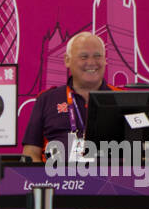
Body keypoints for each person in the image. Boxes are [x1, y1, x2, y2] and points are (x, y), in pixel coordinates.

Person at [21, 32, 115, 164]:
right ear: (67, 60)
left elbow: (140, 153)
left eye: (97, 56)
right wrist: (44, 180)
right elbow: (30, 153)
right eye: (83, 57)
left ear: (105, 60)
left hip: (110, 181)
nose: (91, 62)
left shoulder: (121, 98)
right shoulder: (46, 99)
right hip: (58, 181)